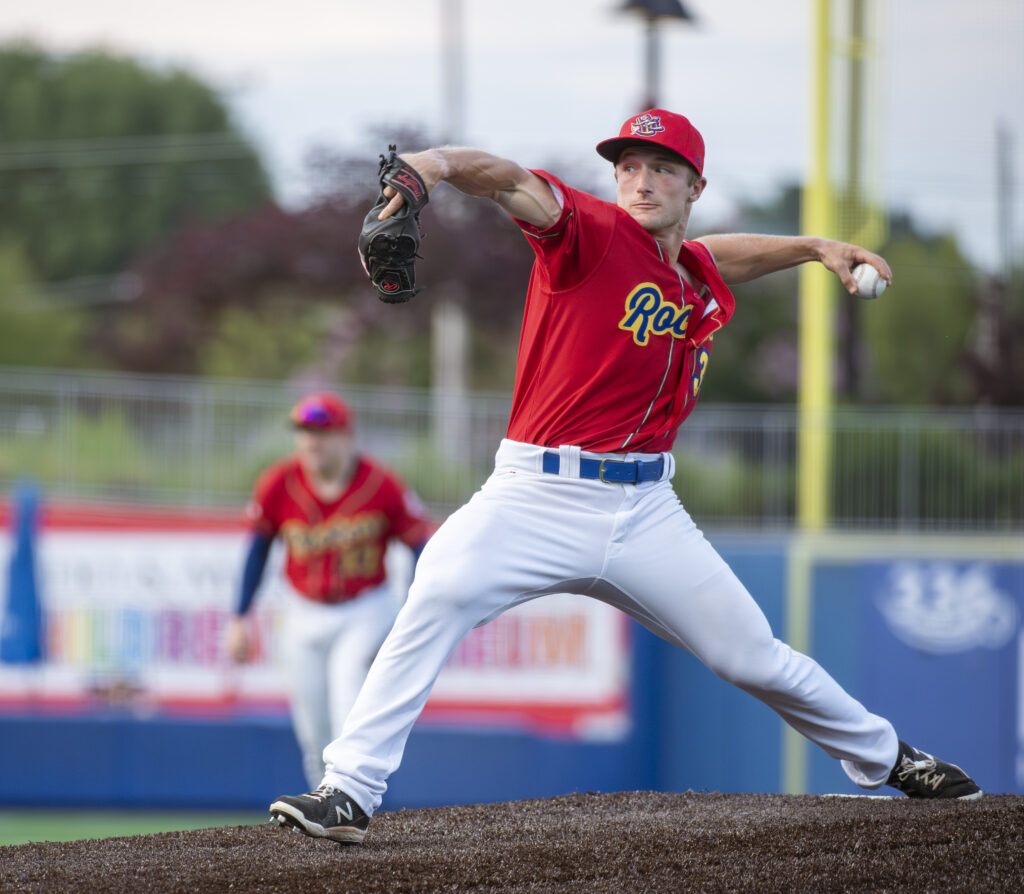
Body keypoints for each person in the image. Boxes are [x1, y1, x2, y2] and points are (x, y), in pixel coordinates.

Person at [269, 110, 982, 843]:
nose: (640, 181)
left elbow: (717, 255)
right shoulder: (588, 233)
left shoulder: (692, 271)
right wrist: (436, 166)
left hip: (647, 509)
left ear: (695, 187)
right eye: (628, 167)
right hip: (536, 494)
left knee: (752, 656)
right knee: (436, 597)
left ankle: (892, 758)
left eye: (662, 169)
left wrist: (812, 247)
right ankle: (349, 790)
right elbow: (509, 182)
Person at [226, 391, 435, 788]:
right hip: (302, 612)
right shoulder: (279, 482)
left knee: (348, 719)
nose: (311, 441)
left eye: (322, 431)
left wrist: (410, 611)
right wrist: (239, 617)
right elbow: (257, 551)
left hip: (364, 610)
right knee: (313, 736)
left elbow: (420, 546)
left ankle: (355, 804)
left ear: (347, 436)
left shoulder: (381, 484)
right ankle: (323, 810)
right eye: (304, 431)